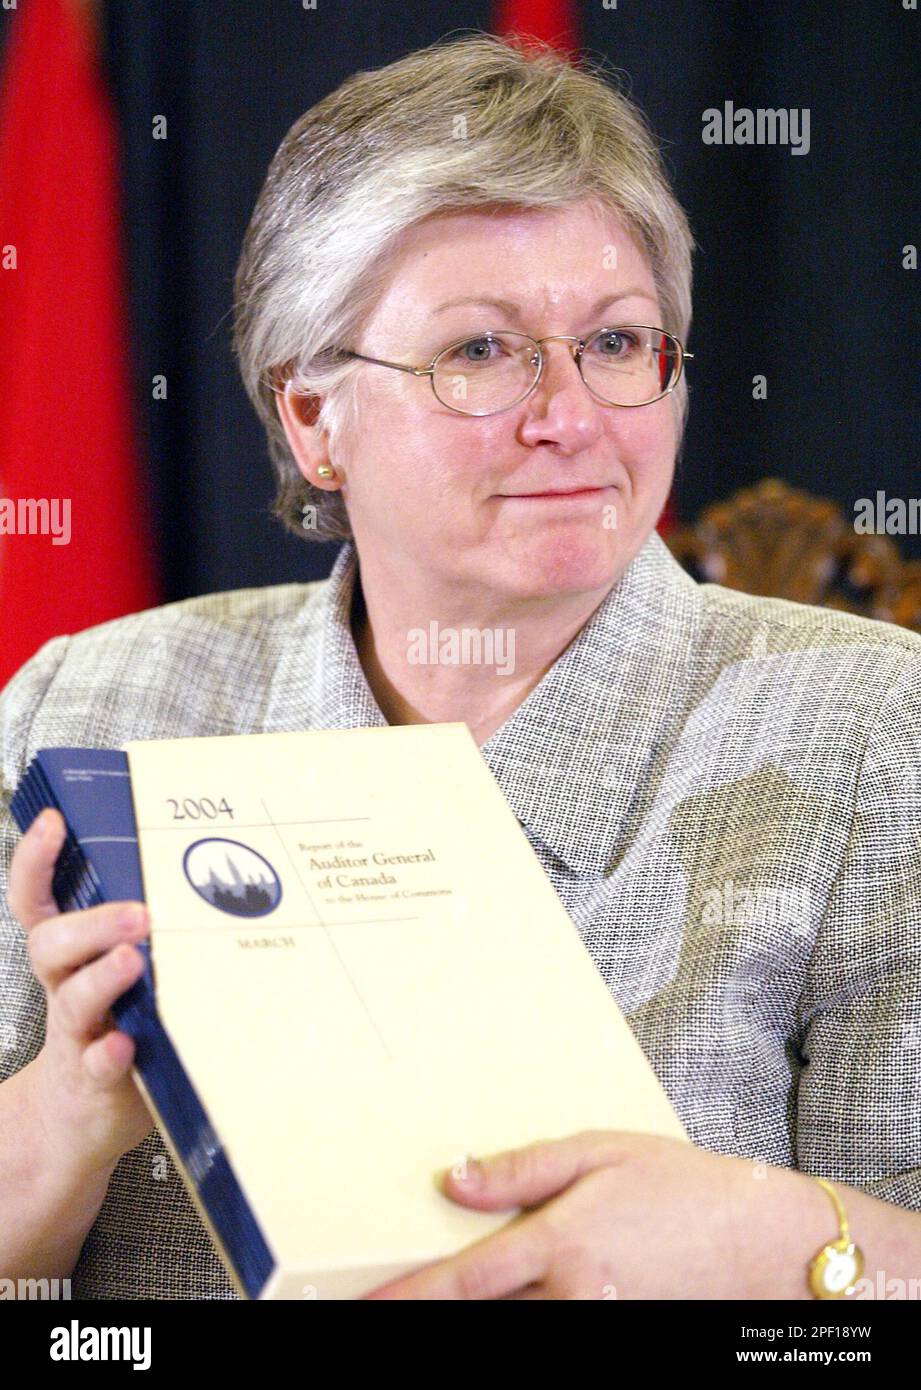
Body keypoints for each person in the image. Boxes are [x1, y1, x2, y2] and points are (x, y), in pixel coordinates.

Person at [2, 32, 920, 1302]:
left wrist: (765, 1242)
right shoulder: (86, 710)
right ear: (314, 417)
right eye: (481, 351)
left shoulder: (878, 735)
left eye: (617, 342)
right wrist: (67, 1108)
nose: (572, 415)